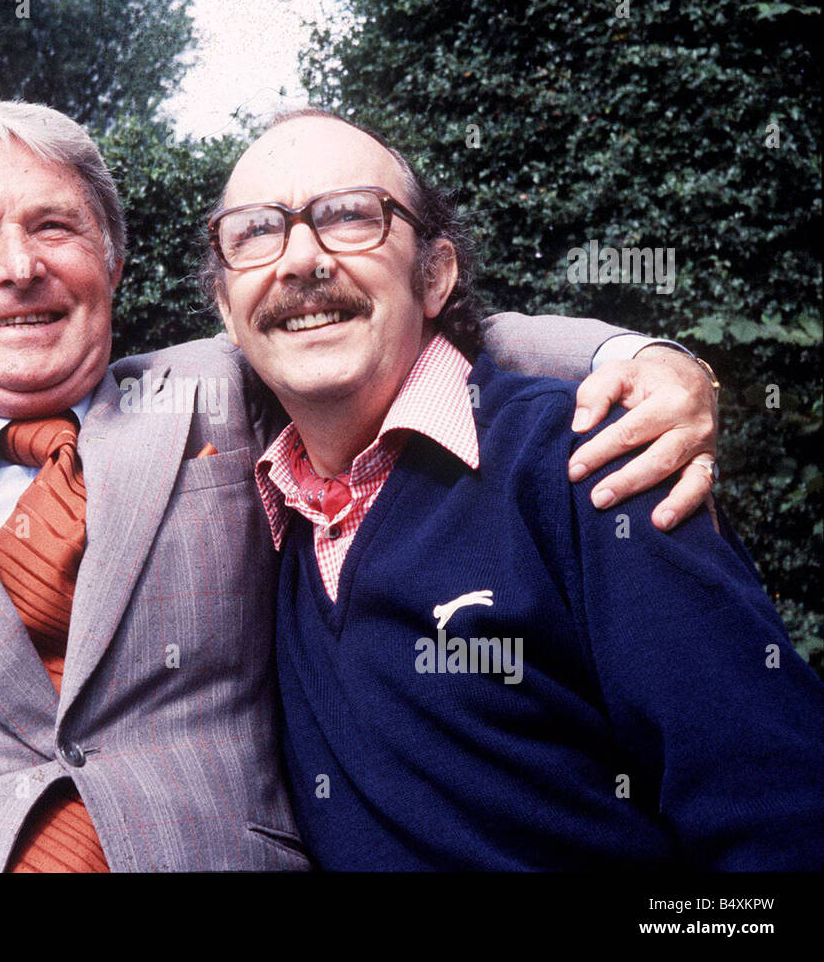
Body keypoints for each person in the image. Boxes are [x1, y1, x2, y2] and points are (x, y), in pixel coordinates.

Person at [0, 101, 718, 872]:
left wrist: (643, 355)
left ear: (112, 256)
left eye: (55, 226)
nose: (17, 268)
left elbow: (411, 327)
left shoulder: (232, 391)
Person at [203, 108, 823, 870]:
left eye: (351, 216)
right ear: (227, 312)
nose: (301, 258)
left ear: (434, 276)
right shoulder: (267, 525)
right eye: (257, 232)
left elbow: (781, 815)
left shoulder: (589, 465)